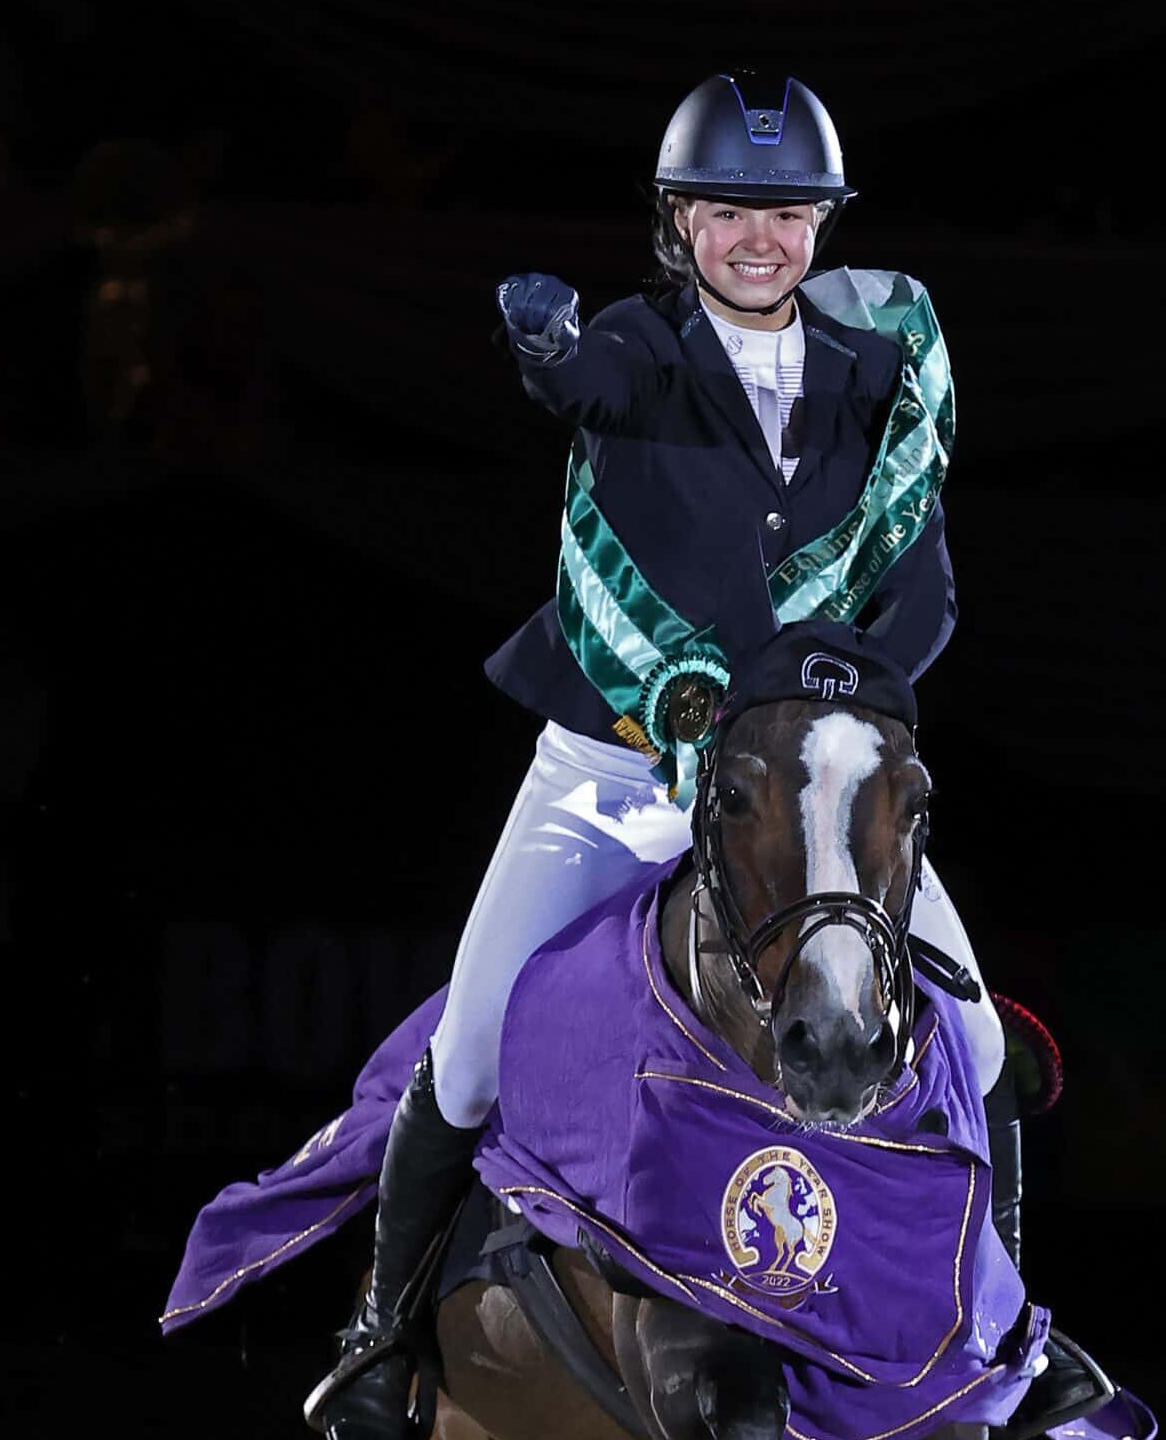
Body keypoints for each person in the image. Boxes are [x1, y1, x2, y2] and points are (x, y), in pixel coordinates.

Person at [310, 73, 1105, 1437]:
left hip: (801, 780)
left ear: (823, 227)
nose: (759, 240)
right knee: (474, 1040)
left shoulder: (874, 373)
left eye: (787, 215)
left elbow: (923, 591)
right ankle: (380, 1336)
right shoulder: (642, 345)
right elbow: (585, 385)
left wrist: (850, 708)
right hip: (619, 767)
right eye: (728, 212)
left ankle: (1004, 1342)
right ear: (678, 221)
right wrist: (546, 349)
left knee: (976, 1046)